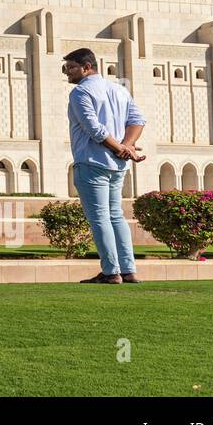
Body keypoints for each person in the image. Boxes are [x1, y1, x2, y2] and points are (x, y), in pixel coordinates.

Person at [63, 47, 147, 284]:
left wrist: (122, 148)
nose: (68, 73)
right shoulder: (119, 89)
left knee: (100, 218)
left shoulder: (81, 92)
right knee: (115, 216)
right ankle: (128, 270)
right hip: (117, 165)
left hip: (92, 162)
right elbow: (137, 121)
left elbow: (94, 129)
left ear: (87, 67)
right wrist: (127, 146)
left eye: (71, 68)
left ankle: (111, 272)